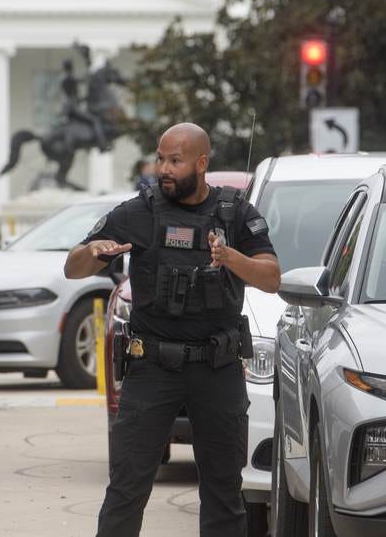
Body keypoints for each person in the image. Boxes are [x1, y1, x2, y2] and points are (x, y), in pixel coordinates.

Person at [64, 123, 281, 537]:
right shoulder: (139, 212)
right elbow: (72, 268)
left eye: (175, 161)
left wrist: (231, 258)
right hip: (152, 368)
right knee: (126, 488)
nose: (163, 168)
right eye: (160, 158)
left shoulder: (235, 213)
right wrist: (92, 252)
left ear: (201, 163)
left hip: (217, 369)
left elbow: (271, 278)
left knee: (224, 492)